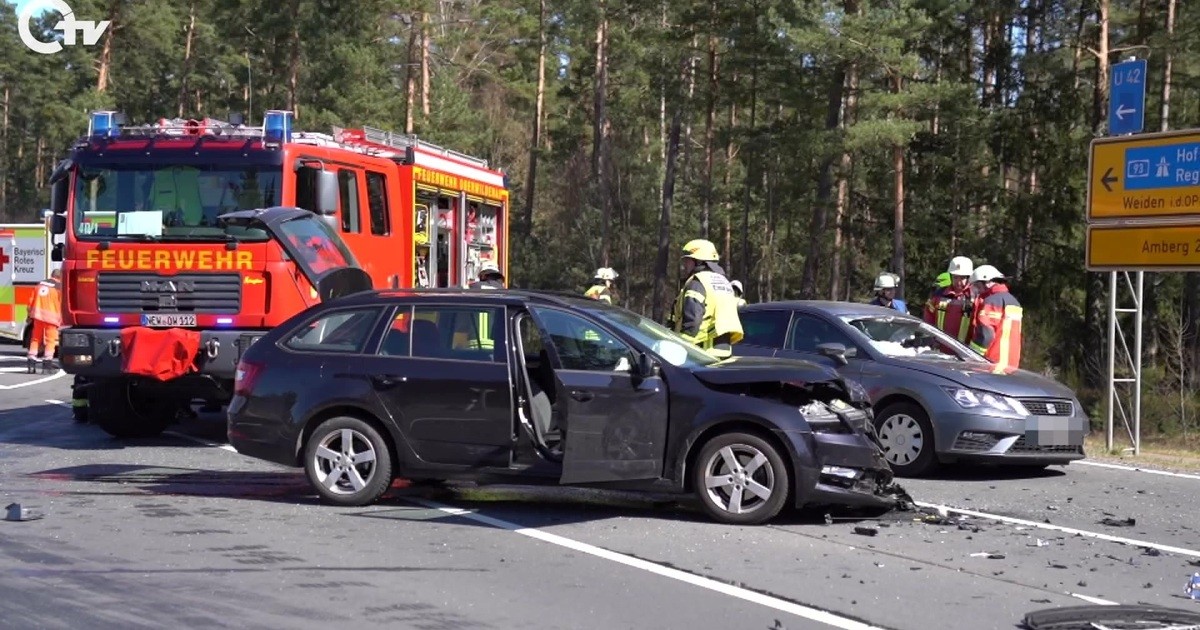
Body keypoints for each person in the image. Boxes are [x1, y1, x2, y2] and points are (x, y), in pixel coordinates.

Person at [672, 239, 743, 357]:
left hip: (701, 351)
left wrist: (681, 347)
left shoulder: (698, 282)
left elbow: (693, 319)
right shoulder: (723, 282)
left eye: (688, 260)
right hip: (723, 350)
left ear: (698, 261)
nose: (685, 265)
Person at [967, 264, 1022, 372]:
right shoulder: (1014, 302)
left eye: (977, 286)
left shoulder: (991, 301)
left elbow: (985, 335)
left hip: (991, 365)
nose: (977, 290)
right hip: (1011, 366)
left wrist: (971, 356)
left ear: (987, 282)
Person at [924, 256, 974, 344]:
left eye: (962, 278)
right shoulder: (938, 295)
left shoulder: (975, 297)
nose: (958, 282)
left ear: (969, 277)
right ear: (950, 276)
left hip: (965, 350)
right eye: (955, 277)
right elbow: (928, 317)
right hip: (940, 347)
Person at [27, 269, 62, 374]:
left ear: (51, 275)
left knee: (35, 339)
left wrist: (29, 316)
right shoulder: (59, 287)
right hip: (52, 318)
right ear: (59, 277)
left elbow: (30, 303)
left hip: (38, 316)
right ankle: (47, 364)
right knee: (50, 341)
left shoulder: (39, 285)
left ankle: (31, 362)